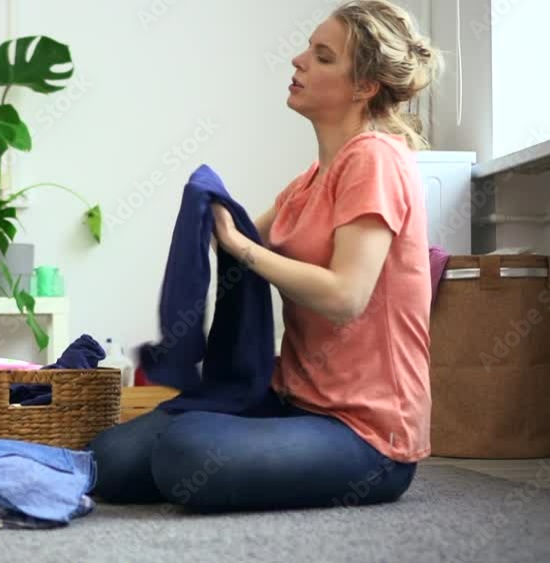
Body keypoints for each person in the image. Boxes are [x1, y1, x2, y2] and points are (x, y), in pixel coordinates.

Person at [89, 0, 442, 512]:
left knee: (185, 455)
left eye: (322, 57)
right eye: (308, 49)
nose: (298, 60)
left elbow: (346, 295)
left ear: (364, 87)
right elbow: (233, 239)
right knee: (112, 457)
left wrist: (241, 247)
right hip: (291, 403)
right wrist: (206, 208)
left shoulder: (376, 159)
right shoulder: (309, 182)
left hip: (369, 436)